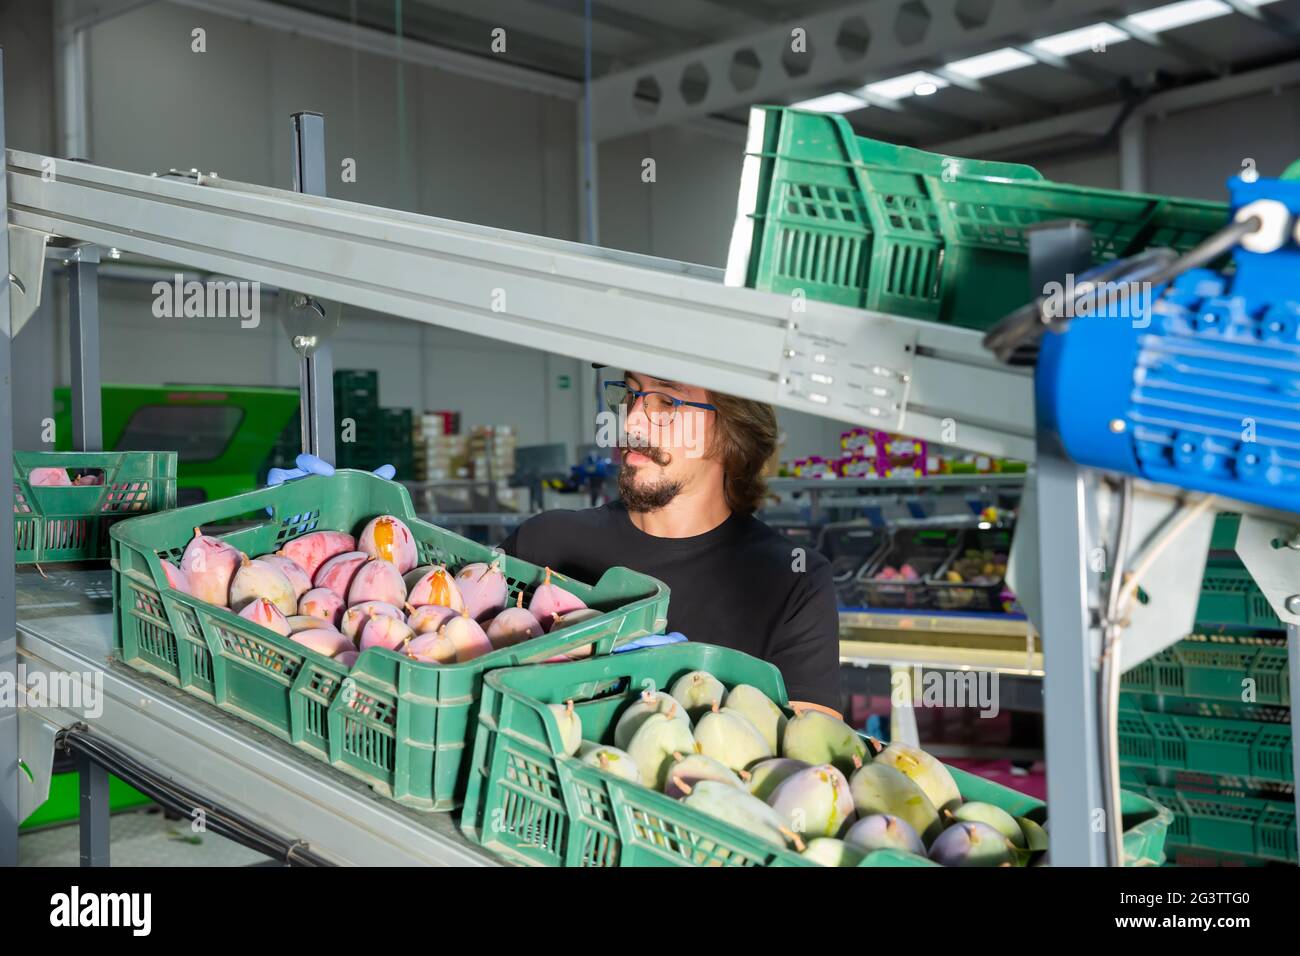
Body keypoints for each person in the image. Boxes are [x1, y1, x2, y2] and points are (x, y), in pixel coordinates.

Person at [498, 371, 843, 716]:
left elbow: (810, 753)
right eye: (631, 395)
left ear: (731, 429)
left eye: (665, 401)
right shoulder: (543, 544)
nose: (632, 423)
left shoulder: (792, 580)